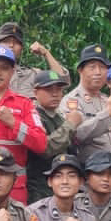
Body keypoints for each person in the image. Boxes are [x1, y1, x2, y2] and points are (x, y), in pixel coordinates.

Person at [0, 44, 48, 202]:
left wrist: (14, 123)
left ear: (13, 72)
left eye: (5, 68)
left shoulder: (25, 104)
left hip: (15, 187)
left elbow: (41, 144)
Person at [62, 43, 111, 168]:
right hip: (87, 171)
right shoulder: (72, 100)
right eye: (92, 67)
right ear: (81, 70)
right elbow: (75, 136)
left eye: (102, 67)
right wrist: (108, 113)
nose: (98, 72)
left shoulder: (106, 99)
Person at [27, 69, 75, 201]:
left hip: (62, 182)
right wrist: (70, 124)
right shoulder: (32, 115)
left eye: (58, 89)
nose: (55, 94)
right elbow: (45, 148)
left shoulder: (59, 116)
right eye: (49, 89)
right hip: (40, 185)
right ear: (36, 92)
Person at [0, 21, 67, 97]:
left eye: (16, 42)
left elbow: (62, 80)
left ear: (21, 49)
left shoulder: (32, 75)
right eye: (6, 41)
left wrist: (46, 53)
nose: (11, 45)